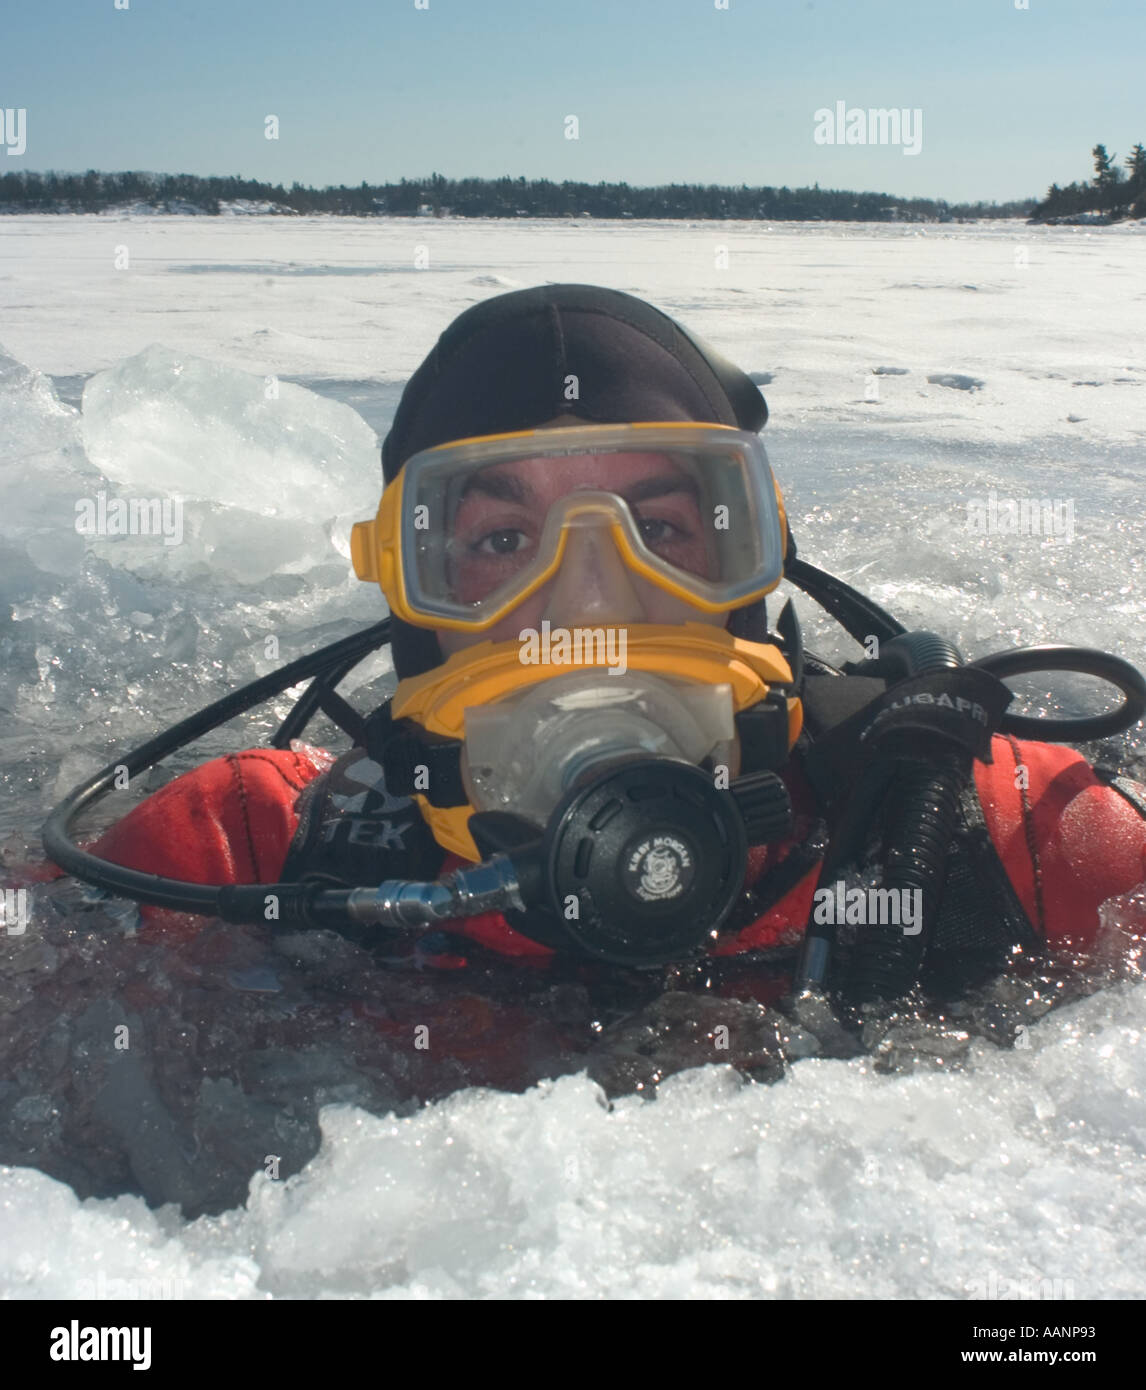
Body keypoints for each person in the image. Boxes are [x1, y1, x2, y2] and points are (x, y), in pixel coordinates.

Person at [77, 284, 1146, 996]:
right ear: (410, 596)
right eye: (503, 541)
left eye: (663, 531)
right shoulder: (243, 854)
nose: (591, 608)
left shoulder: (1013, 834)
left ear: (756, 560)